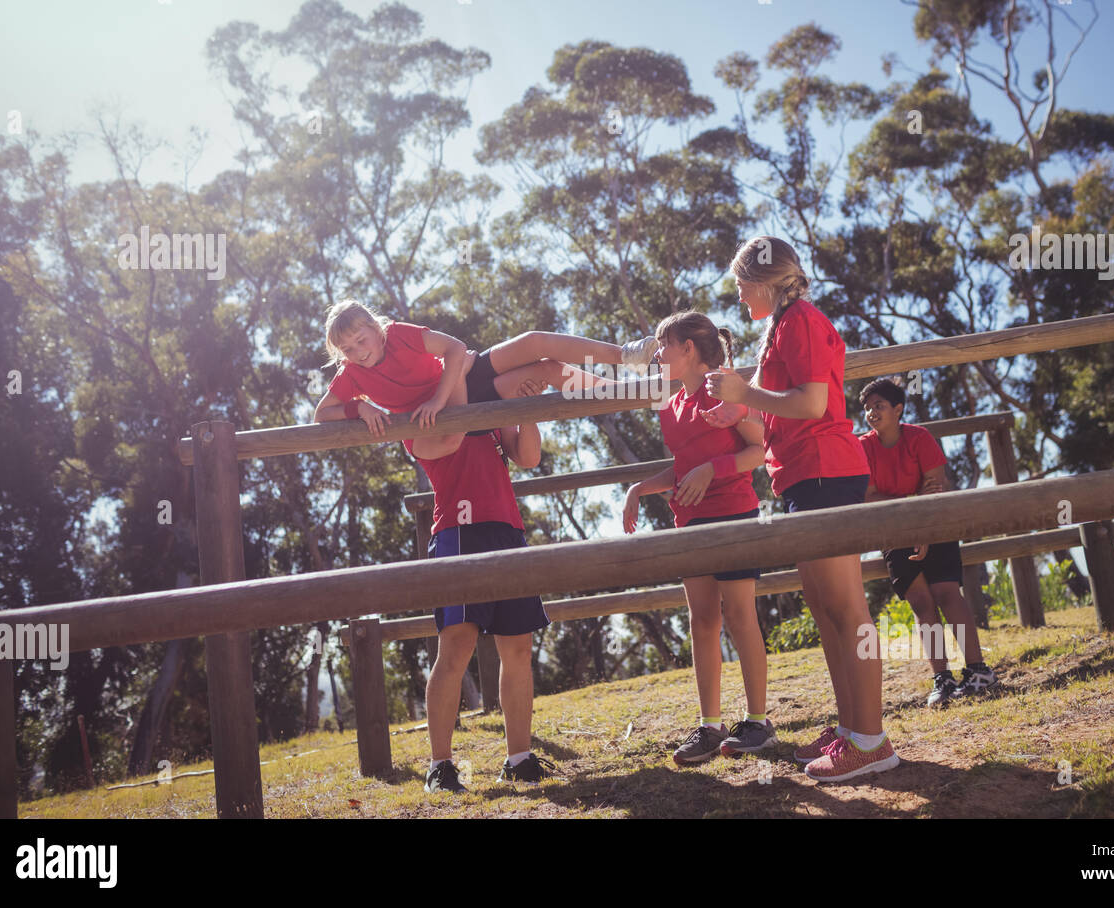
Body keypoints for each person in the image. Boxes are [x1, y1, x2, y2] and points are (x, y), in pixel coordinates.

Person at [703, 236, 899, 783]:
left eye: (742, 285)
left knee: (846, 606)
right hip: (801, 477)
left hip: (826, 471)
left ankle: (872, 741)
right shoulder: (782, 326)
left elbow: (813, 403)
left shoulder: (803, 320)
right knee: (823, 604)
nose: (740, 296)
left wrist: (746, 393)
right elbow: (781, 406)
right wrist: (737, 409)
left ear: (764, 280)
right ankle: (851, 729)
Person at [622, 313, 772, 765]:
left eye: (664, 345)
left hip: (733, 515)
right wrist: (639, 489)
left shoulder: (724, 386)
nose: (658, 354)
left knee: (740, 614)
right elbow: (683, 466)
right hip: (689, 523)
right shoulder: (672, 404)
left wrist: (715, 470)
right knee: (702, 620)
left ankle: (759, 722)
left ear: (688, 349)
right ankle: (710, 726)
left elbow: (760, 449)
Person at [407, 378, 556, 792]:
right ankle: (440, 766)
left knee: (519, 647)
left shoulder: (493, 408)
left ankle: (519, 759)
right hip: (458, 533)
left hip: (507, 530)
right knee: (456, 646)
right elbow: (449, 444)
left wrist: (523, 408)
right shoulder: (425, 412)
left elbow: (528, 457)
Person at [312, 299, 658, 442]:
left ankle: (628, 359)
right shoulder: (352, 374)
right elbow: (321, 414)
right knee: (546, 371)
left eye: (361, 340)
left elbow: (456, 348)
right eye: (347, 349)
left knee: (537, 344)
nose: (358, 352)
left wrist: (439, 393)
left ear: (376, 327)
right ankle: (628, 394)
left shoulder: (400, 335)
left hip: (461, 378)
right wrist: (361, 407)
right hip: (454, 412)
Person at [858, 377, 996, 706]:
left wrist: (922, 529)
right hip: (893, 533)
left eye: (879, 406)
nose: (872, 413)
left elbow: (936, 487)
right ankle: (942, 678)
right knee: (921, 602)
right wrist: (909, 505)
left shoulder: (918, 437)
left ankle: (978, 670)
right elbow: (867, 497)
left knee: (947, 593)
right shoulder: (862, 447)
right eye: (866, 409)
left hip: (935, 523)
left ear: (898, 409)